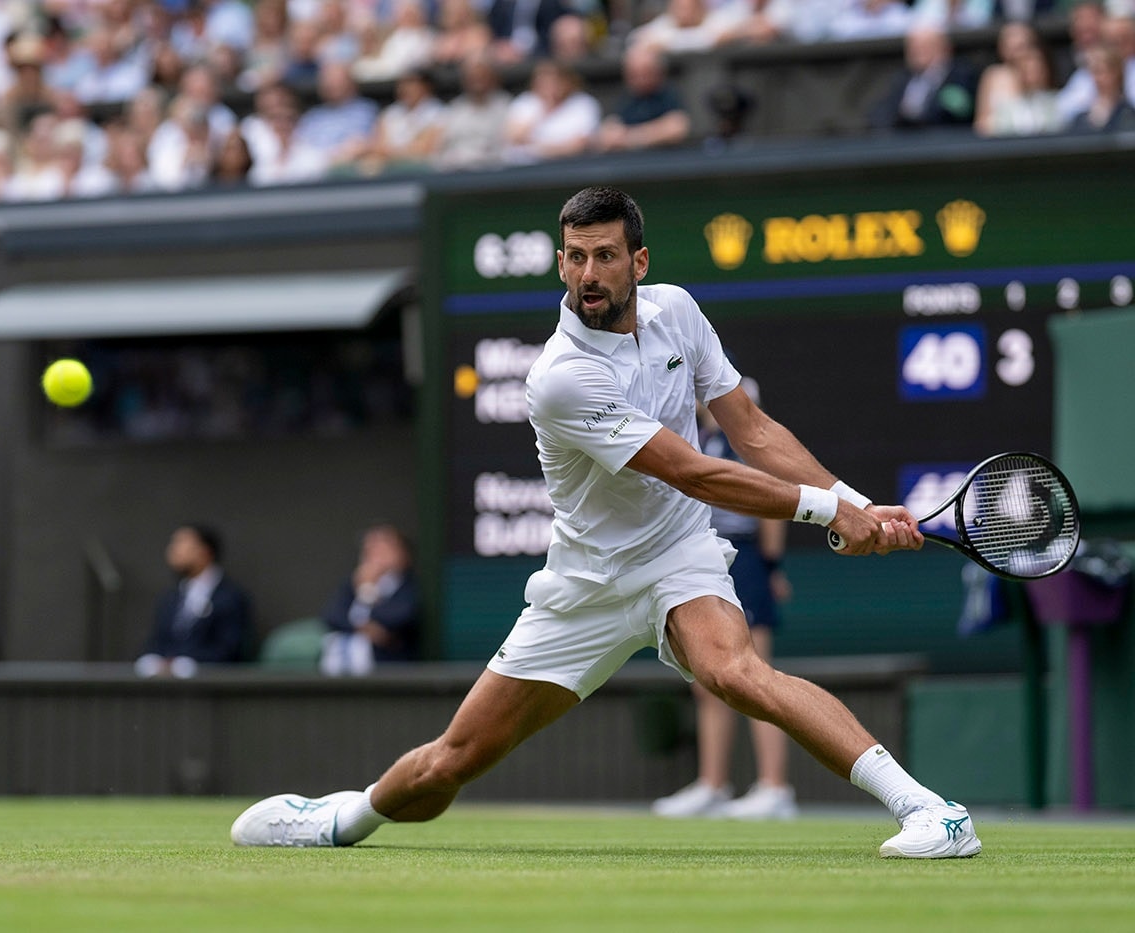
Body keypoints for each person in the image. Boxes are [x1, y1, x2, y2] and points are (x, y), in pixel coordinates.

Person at [230, 186, 981, 861]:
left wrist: (851, 497)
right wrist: (830, 510)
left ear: (638, 261)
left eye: (606, 256)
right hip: (585, 582)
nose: (589, 273)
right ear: (561, 263)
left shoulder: (678, 312)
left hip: (680, 553)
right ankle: (340, 819)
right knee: (450, 762)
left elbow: (749, 426)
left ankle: (931, 810)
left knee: (736, 672)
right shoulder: (562, 376)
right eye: (576, 257)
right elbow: (691, 468)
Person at [650, 380, 796, 820]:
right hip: (706, 555)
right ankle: (713, 784)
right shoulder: (703, 437)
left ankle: (775, 787)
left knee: (757, 677)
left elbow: (772, 503)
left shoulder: (746, 441)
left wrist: (771, 567)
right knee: (707, 683)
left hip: (747, 560)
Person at [135, 523, 254, 678]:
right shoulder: (170, 598)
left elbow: (230, 649)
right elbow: (157, 642)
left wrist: (184, 664)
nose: (173, 550)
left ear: (205, 551)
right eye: (173, 543)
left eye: (182, 543)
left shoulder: (230, 597)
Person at [319, 524, 421, 676]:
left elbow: (400, 618)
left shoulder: (406, 585)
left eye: (382, 547)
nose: (375, 554)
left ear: (402, 553)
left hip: (387, 671)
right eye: (370, 549)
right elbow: (332, 616)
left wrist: (368, 593)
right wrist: (365, 629)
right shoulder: (352, 583)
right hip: (339, 667)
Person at [867, 26, 979, 132]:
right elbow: (882, 110)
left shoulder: (960, 74)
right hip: (903, 139)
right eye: (913, 48)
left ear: (944, 49)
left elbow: (961, 110)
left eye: (925, 47)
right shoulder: (901, 78)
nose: (917, 53)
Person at [596, 44, 691, 153]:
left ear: (658, 72)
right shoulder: (625, 97)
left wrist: (633, 137)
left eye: (646, 72)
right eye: (634, 74)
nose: (641, 79)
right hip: (630, 163)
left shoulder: (669, 93)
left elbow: (676, 128)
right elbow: (608, 134)